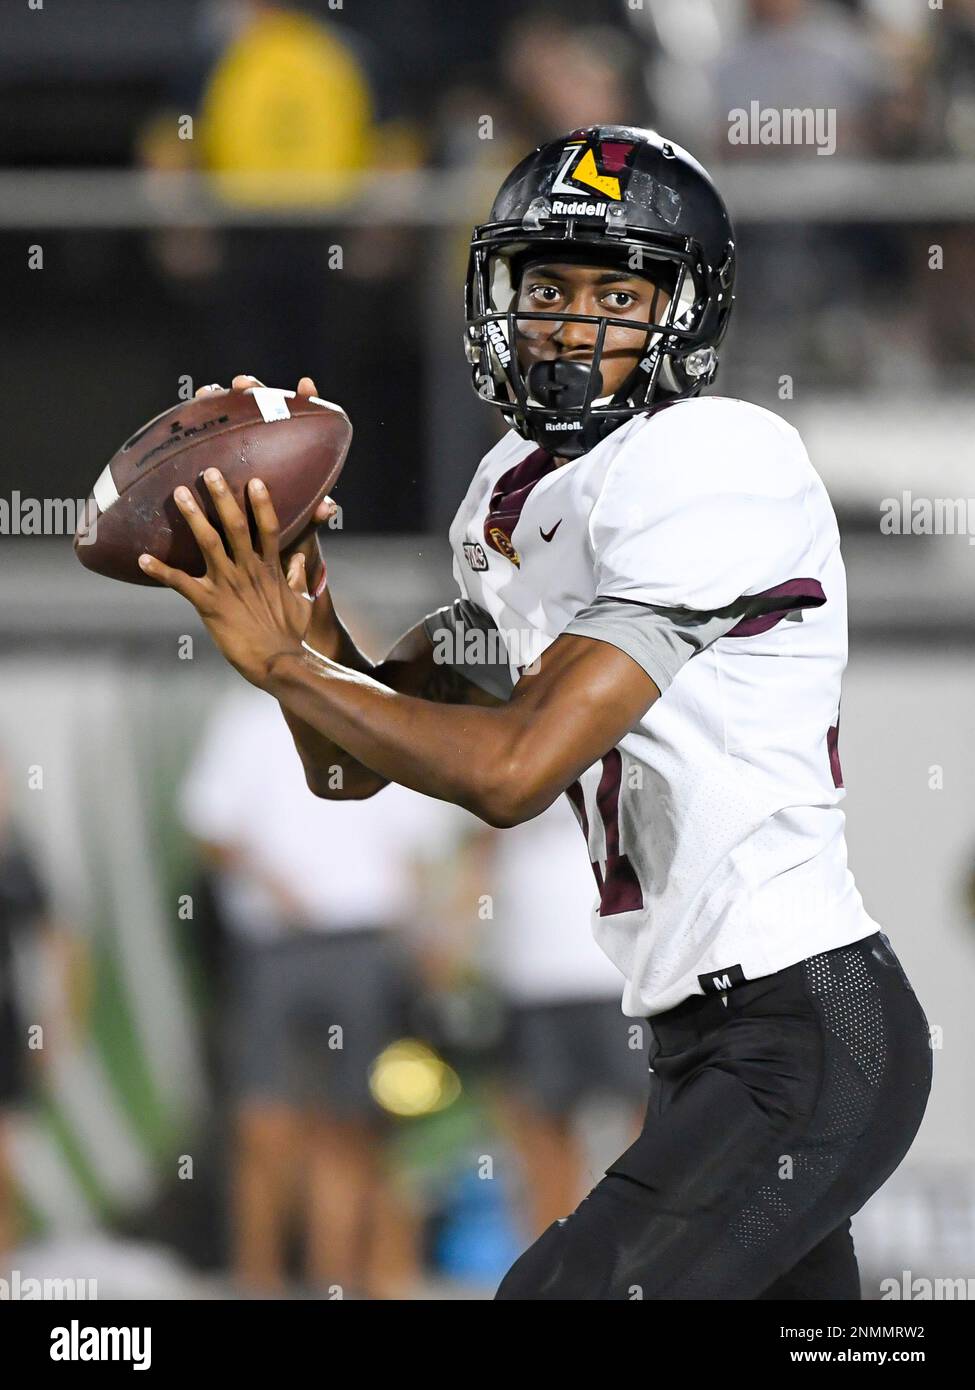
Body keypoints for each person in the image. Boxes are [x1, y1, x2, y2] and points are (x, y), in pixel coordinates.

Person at [139, 126, 933, 1299]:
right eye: (548, 286)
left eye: (618, 290)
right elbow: (358, 759)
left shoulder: (714, 458)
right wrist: (302, 613)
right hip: (704, 1043)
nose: (573, 322)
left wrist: (297, 671)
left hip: (806, 1029)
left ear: (685, 312)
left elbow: (513, 770)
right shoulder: (515, 491)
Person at [180, 683, 451, 1298]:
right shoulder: (247, 717)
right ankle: (261, 1279)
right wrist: (271, 883)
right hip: (275, 943)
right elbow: (209, 823)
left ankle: (334, 1276)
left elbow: (416, 842)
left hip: (363, 938)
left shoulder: (377, 707)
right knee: (264, 1121)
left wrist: (427, 935)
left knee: (351, 1121)